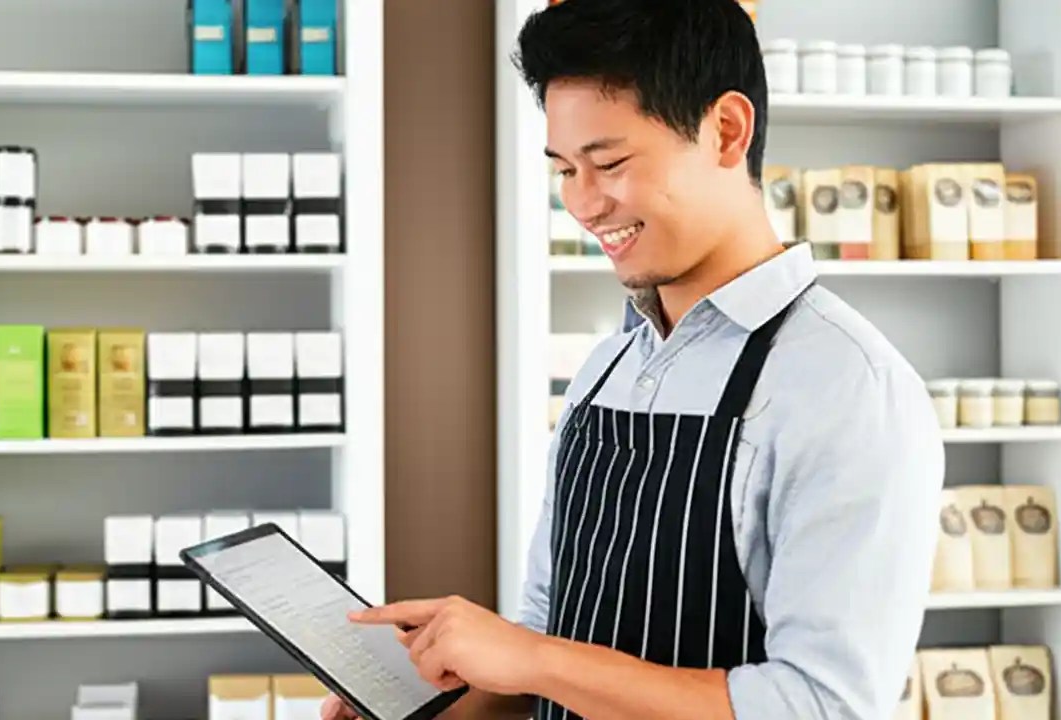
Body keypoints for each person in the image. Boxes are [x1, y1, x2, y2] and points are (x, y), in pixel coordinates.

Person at [324, 0, 944, 717]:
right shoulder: (608, 368)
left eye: (609, 163)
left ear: (726, 131)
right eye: (563, 170)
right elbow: (544, 657)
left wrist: (531, 656)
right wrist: (423, 705)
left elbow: (824, 706)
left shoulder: (846, 387)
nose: (583, 205)